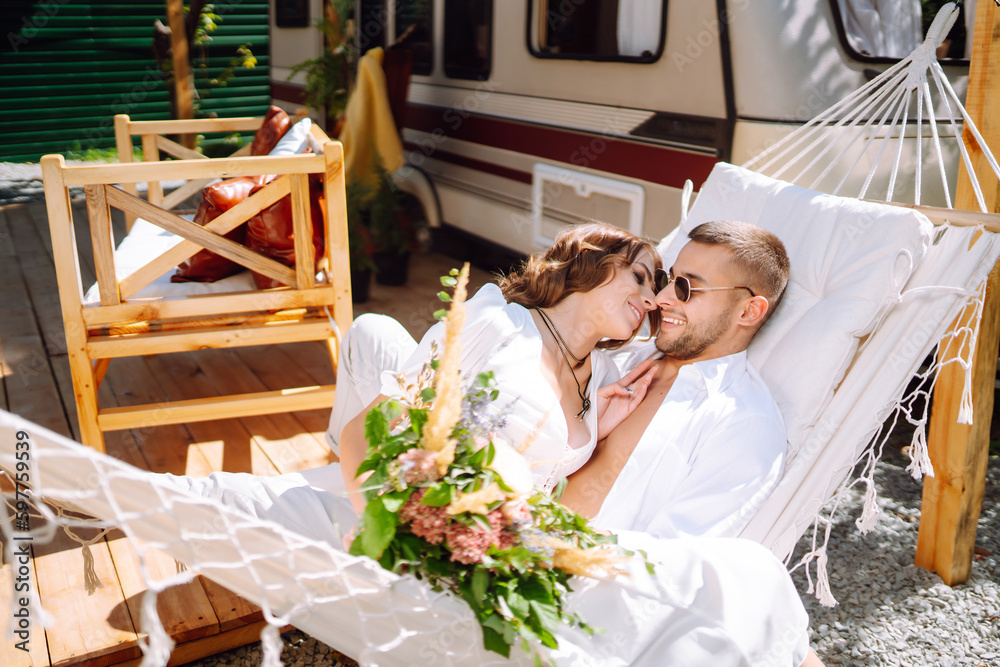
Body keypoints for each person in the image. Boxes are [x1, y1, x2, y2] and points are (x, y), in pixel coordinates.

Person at [329, 222, 663, 512]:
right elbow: (361, 430)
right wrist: (374, 525)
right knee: (369, 332)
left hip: (491, 530)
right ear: (592, 261)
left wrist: (597, 431)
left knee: (372, 333)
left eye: (655, 291)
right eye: (639, 277)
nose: (651, 301)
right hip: (419, 483)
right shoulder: (497, 321)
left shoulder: (606, 377)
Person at [561, 220, 791, 540]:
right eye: (667, 280)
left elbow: (676, 549)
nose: (661, 298)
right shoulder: (622, 356)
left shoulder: (744, 423)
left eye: (686, 287)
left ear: (749, 311)